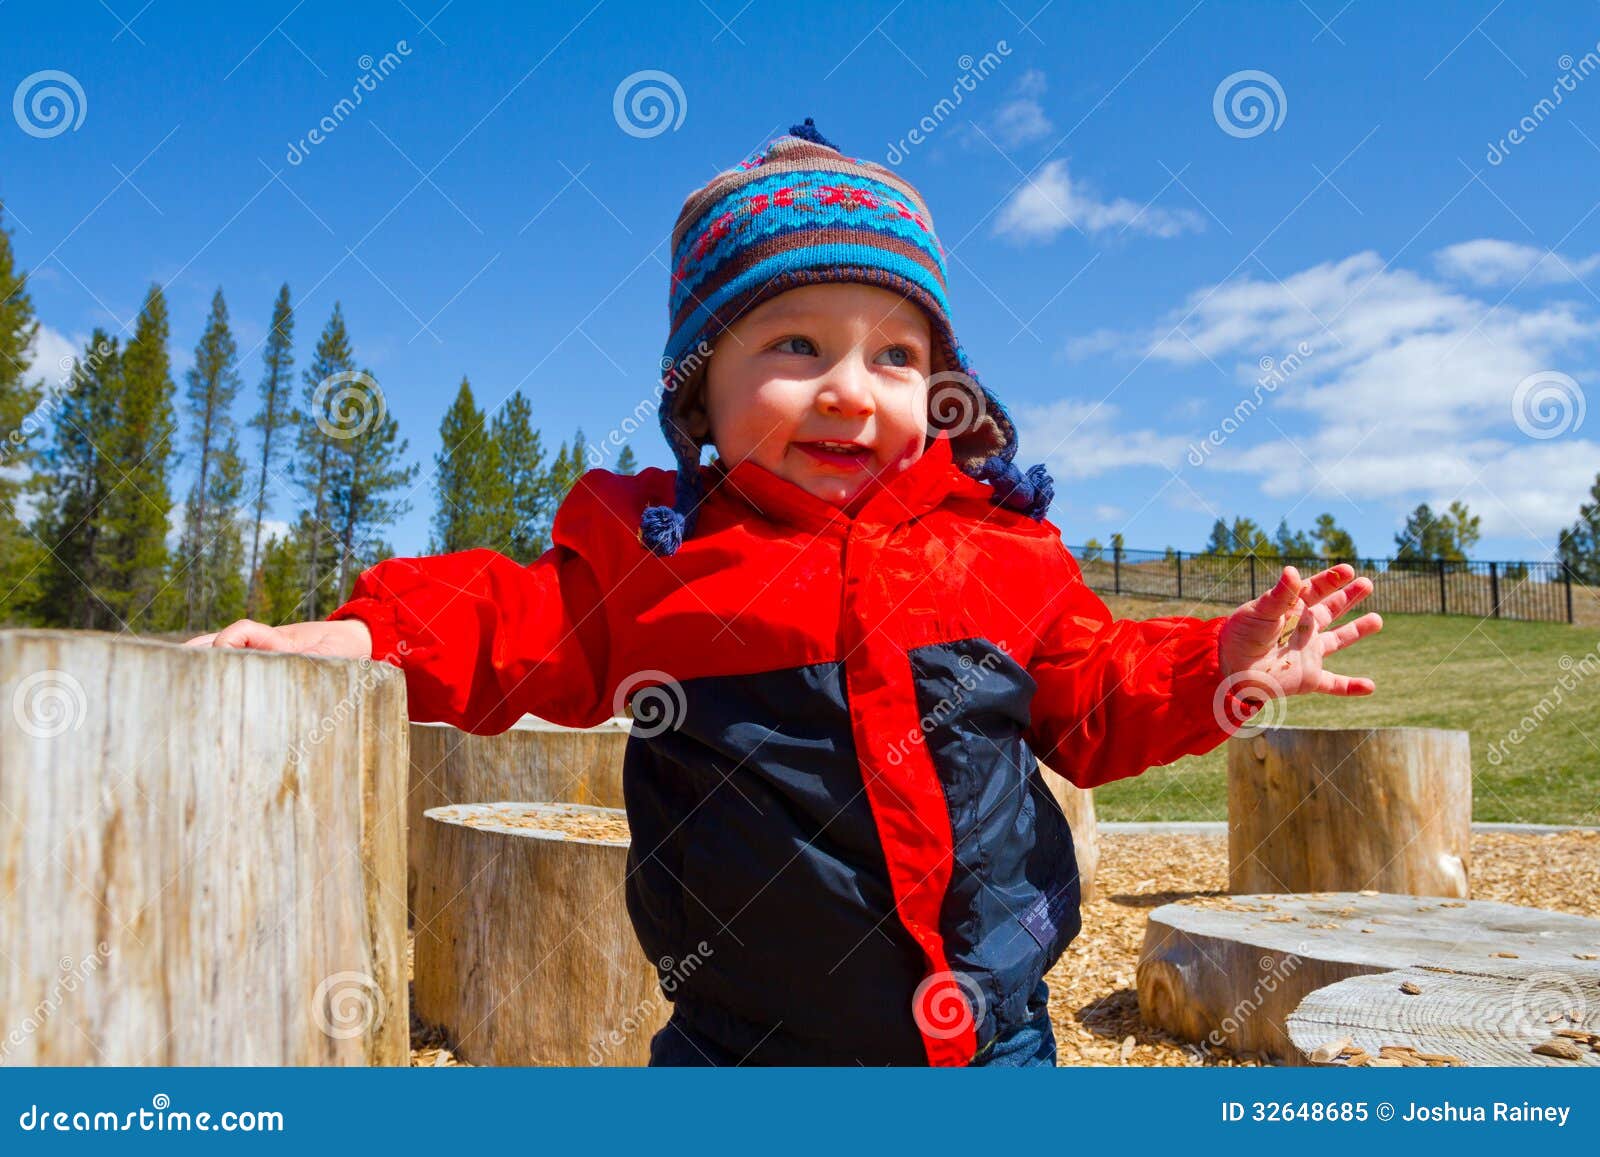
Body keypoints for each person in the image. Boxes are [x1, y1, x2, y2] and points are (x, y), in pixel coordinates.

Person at [186, 118, 1383, 1067]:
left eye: (895, 355)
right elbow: (509, 619)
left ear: (944, 389)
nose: (851, 391)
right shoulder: (661, 553)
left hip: (993, 1041)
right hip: (740, 1048)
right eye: (795, 347)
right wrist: (359, 633)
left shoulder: (1001, 549)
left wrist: (1216, 670)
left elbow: (1089, 695)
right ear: (698, 393)